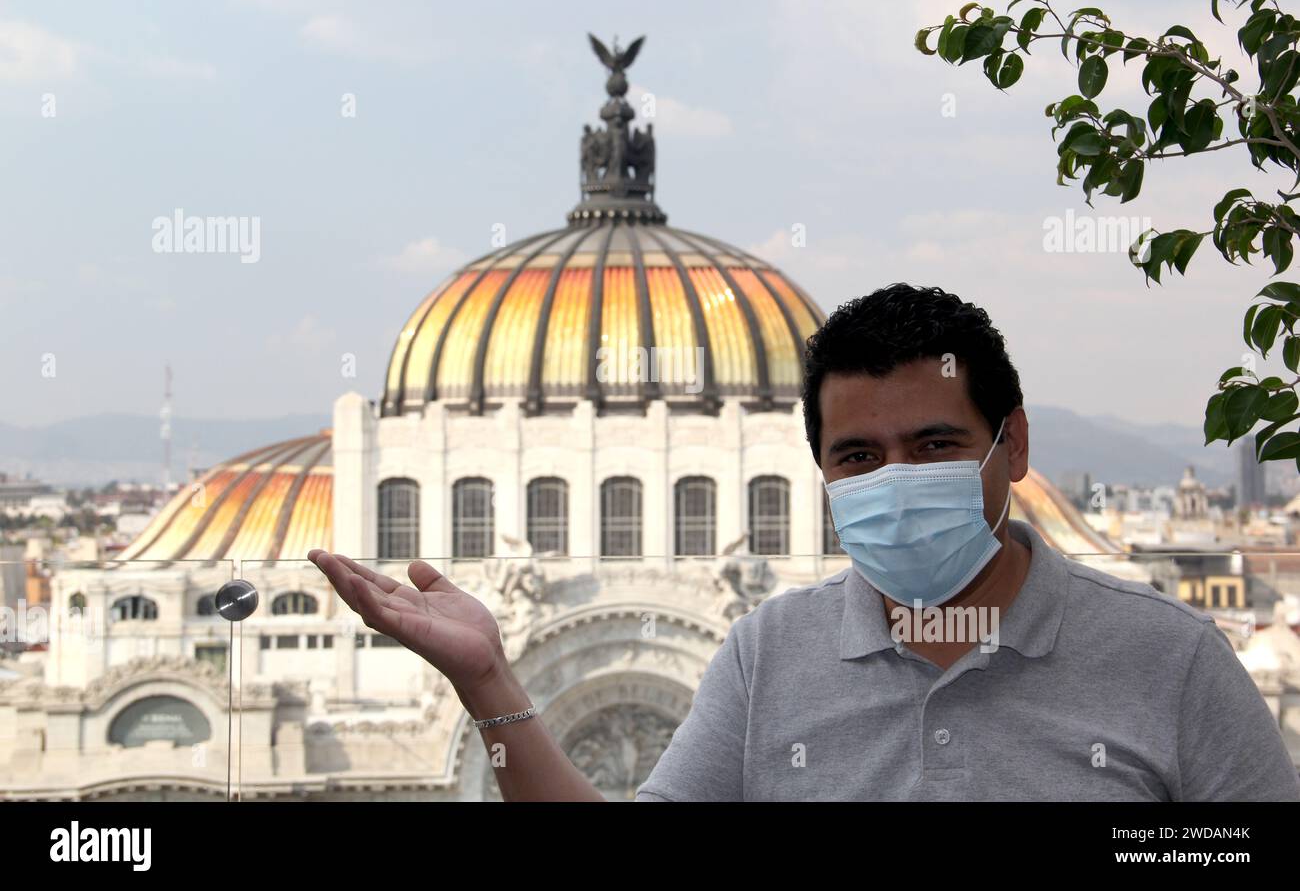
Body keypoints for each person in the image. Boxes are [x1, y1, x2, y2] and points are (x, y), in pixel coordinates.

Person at [309, 283, 1300, 801]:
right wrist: (489, 679)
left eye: (935, 444)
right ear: (819, 468)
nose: (895, 479)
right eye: (859, 454)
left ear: (1015, 445)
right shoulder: (767, 653)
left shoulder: (1169, 663)